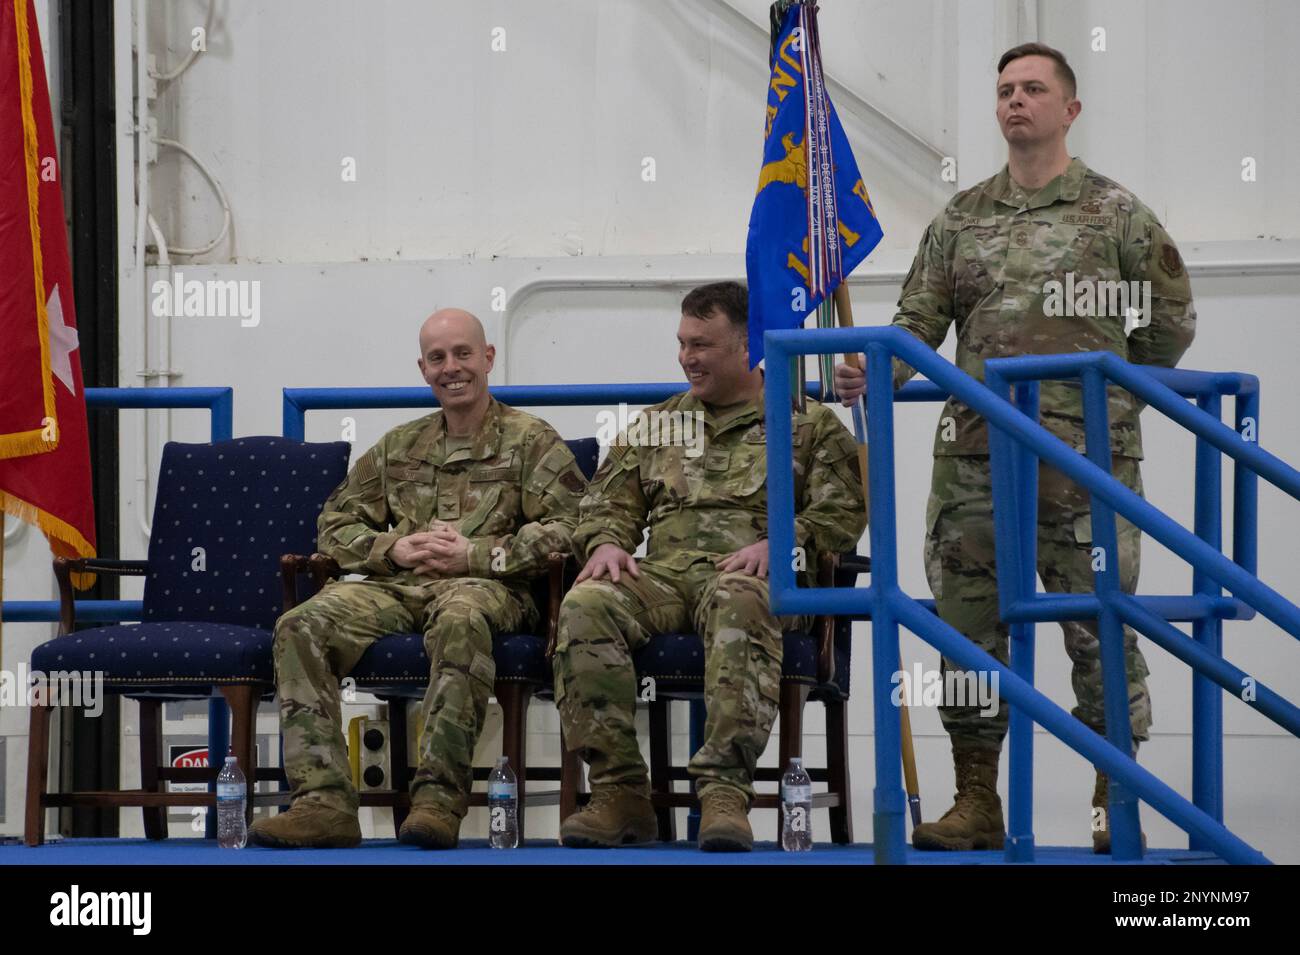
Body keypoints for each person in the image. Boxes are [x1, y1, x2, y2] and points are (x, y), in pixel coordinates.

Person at [836, 43, 1195, 853]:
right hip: (974, 464)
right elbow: (917, 326)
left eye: (1033, 89)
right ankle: (974, 796)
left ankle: (1116, 794)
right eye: (1004, 91)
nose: (1015, 101)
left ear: (1071, 109)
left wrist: (1107, 397)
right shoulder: (960, 219)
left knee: (1099, 627)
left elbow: (1171, 324)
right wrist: (876, 371)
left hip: (1085, 466)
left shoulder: (1117, 214)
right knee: (966, 632)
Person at [248, 309, 588, 849]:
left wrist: (475, 555)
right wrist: (392, 547)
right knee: (299, 623)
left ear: (488, 358)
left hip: (491, 588)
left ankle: (437, 799)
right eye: (437, 358)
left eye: (463, 354)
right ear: (423, 368)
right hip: (398, 586)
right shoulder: (399, 445)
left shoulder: (530, 440)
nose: (451, 368)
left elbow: (572, 531)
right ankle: (324, 804)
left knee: (460, 618)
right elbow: (333, 525)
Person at [554, 281, 867, 852]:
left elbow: (845, 512)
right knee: (586, 603)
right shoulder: (658, 424)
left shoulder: (807, 423)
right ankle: (621, 792)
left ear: (749, 346)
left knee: (739, 595)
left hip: (757, 581)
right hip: (667, 576)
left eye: (702, 344)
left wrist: (785, 540)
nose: (686, 357)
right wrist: (604, 543)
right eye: (682, 343)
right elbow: (606, 506)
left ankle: (725, 792)